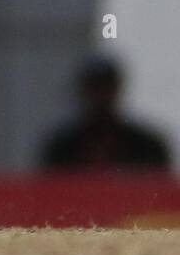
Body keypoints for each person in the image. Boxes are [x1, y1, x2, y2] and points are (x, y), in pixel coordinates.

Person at [40, 56, 172, 171]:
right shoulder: (61, 148)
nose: (101, 96)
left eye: (107, 88)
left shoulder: (148, 146)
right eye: (96, 88)